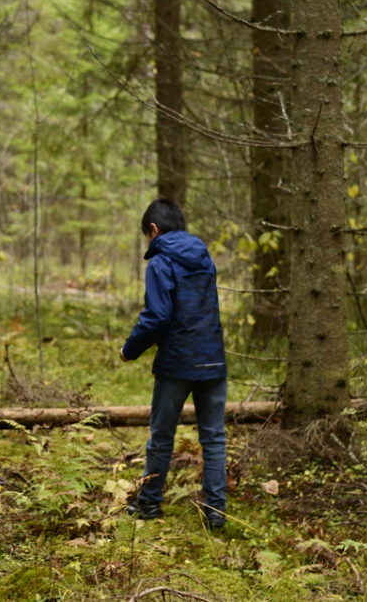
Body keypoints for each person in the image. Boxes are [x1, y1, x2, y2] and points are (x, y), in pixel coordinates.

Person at [119, 198, 228, 529]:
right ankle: (217, 512)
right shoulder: (204, 257)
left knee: (162, 435)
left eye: (146, 236)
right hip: (212, 361)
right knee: (213, 437)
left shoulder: (161, 262)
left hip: (177, 364)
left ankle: (149, 505)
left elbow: (157, 317)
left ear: (154, 230)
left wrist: (129, 349)